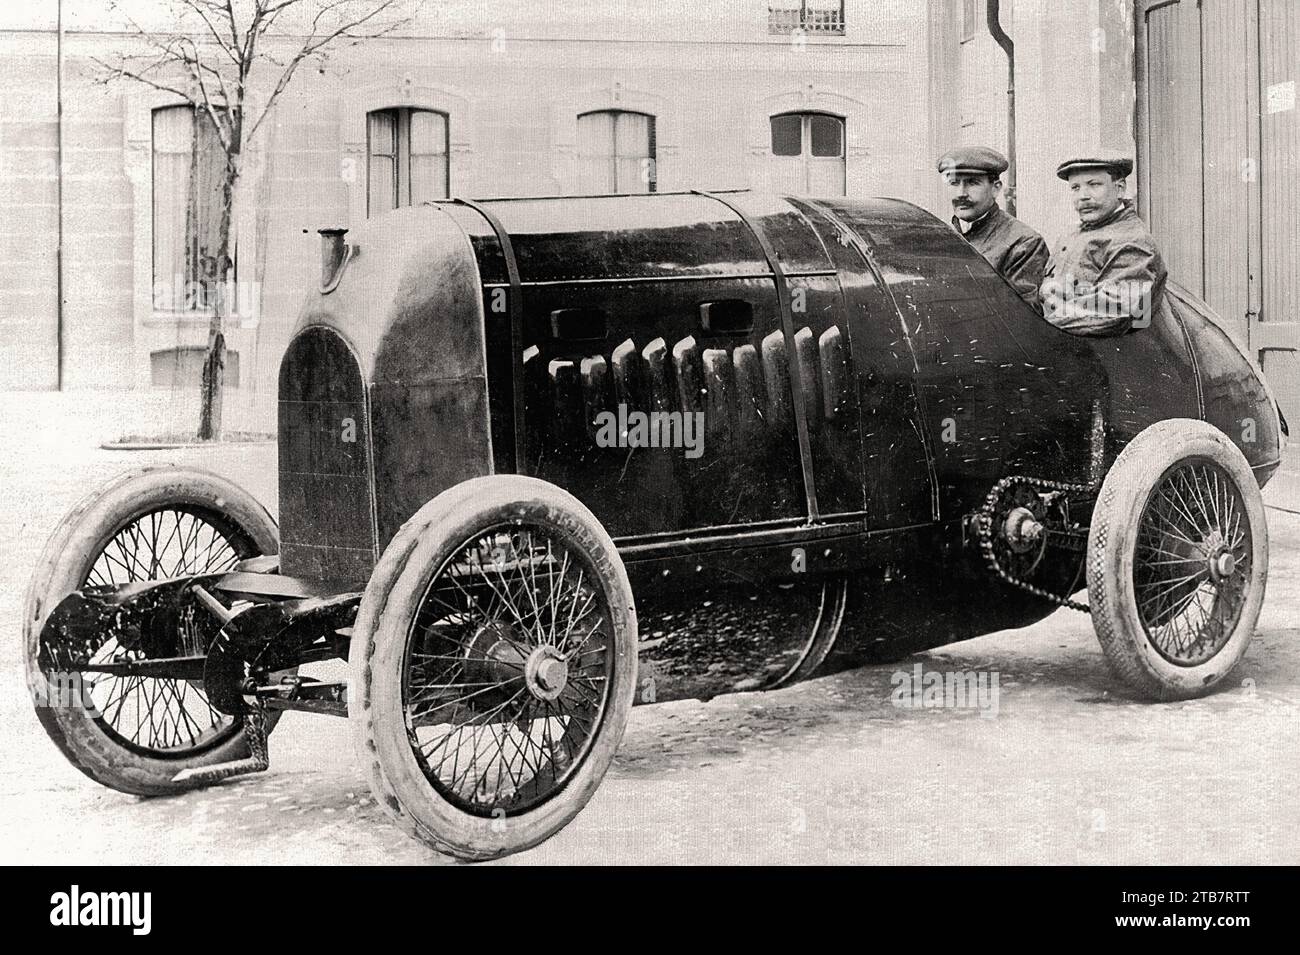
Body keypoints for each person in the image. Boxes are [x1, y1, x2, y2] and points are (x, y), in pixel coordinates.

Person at [1041, 155, 1167, 336]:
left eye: (1094, 185)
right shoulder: (1071, 234)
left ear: (1120, 189)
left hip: (1108, 354)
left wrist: (1039, 328)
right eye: (1075, 188)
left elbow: (1117, 308)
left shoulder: (1133, 240)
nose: (1083, 196)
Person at [937, 146, 1048, 310]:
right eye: (954, 183)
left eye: (973, 183)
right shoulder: (940, 238)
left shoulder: (1024, 243)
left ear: (996, 188)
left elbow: (1022, 319)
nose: (961, 193)